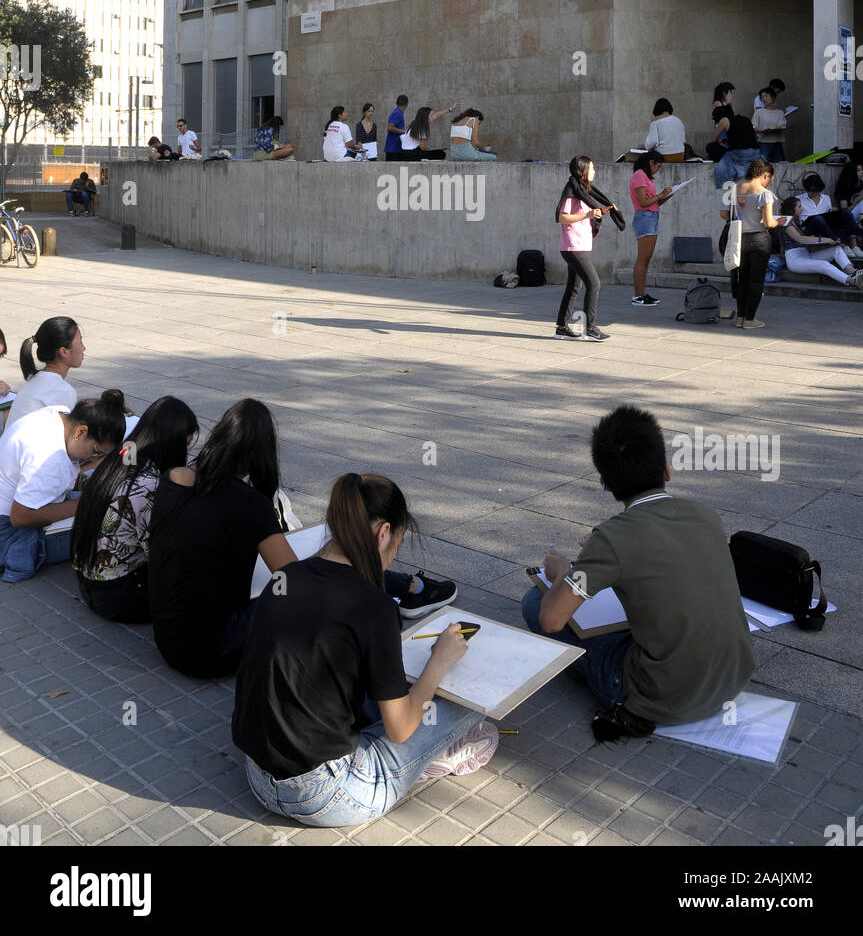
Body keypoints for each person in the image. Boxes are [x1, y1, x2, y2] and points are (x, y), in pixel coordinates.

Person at [232, 471, 498, 827]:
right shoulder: (375, 605)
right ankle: (426, 759)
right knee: (470, 707)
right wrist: (439, 660)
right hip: (328, 794)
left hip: (256, 774)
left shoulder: (286, 577)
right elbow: (401, 728)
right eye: (399, 542)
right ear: (383, 532)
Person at [521, 405, 754, 732]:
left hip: (660, 697)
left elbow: (551, 618)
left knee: (534, 603)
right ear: (667, 470)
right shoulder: (705, 515)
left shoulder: (612, 538)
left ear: (606, 484)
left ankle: (615, 687)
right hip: (732, 679)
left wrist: (561, 572)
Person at [147, 399, 299, 677]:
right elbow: (295, 579)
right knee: (298, 600)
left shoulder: (173, 478)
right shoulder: (251, 503)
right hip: (213, 651)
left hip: (168, 637)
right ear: (263, 454)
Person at [71, 397, 199, 623]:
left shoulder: (121, 456)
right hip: (119, 596)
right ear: (172, 443)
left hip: (87, 581)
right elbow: (161, 557)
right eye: (185, 445)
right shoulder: (149, 485)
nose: (185, 453)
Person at [0, 394, 126, 583]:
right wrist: (85, 502)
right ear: (81, 431)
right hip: (8, 530)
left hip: (12, 503)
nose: (93, 460)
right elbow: (20, 517)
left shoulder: (60, 414)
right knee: (108, 524)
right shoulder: (51, 457)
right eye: (96, 452)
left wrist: (86, 486)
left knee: (100, 494)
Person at [720, 159, 789, 329]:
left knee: (742, 279)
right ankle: (751, 319)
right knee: (756, 281)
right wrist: (780, 221)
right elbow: (768, 222)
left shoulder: (733, 190)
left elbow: (723, 214)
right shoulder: (765, 194)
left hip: (738, 239)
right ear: (765, 175)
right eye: (769, 179)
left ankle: (741, 318)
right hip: (758, 239)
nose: (769, 183)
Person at [554, 156, 615, 341]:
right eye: (592, 168)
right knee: (594, 284)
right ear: (583, 171)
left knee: (574, 286)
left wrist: (600, 212)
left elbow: (584, 214)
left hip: (578, 245)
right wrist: (587, 214)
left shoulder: (581, 190)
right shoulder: (571, 190)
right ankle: (590, 328)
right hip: (573, 246)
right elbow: (562, 217)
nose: (594, 172)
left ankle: (562, 328)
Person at [6, 318, 84, 428]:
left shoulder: (35, 380)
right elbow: (67, 437)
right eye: (80, 341)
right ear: (64, 351)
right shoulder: (63, 391)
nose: (84, 348)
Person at [780, 198, 863, 291]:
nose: (801, 209)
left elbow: (805, 238)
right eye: (799, 207)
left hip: (805, 254)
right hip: (795, 260)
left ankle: (853, 272)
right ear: (792, 209)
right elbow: (800, 239)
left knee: (836, 250)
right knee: (823, 264)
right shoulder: (785, 222)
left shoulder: (796, 222)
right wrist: (823, 239)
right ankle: (852, 281)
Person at [629, 150, 673, 307]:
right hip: (644, 217)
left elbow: (653, 202)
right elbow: (642, 202)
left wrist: (666, 196)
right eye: (658, 166)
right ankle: (638, 296)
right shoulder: (640, 175)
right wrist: (661, 195)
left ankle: (641, 293)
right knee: (643, 259)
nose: (658, 169)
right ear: (651, 162)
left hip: (651, 216)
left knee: (645, 259)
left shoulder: (645, 177)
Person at [797, 172, 859, 249]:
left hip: (824, 227)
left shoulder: (826, 198)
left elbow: (828, 214)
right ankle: (838, 242)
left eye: (814, 191)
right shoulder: (799, 199)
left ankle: (854, 245)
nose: (811, 193)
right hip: (809, 228)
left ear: (819, 189)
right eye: (808, 190)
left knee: (847, 212)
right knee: (817, 218)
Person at [713, 112, 761, 189]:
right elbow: (749, 139)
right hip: (755, 153)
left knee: (710, 147)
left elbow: (713, 140)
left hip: (739, 155)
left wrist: (721, 142)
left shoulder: (724, 120)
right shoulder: (746, 119)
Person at [751, 86, 787, 164]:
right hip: (764, 143)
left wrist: (779, 128)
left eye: (766, 96)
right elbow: (753, 127)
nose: (764, 99)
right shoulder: (759, 112)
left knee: (781, 165)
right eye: (762, 97)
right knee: (762, 166)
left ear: (773, 97)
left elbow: (783, 126)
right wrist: (763, 130)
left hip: (777, 143)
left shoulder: (780, 112)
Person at [643, 99, 686, 163]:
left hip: (663, 157)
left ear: (657, 110)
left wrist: (644, 146)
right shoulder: (679, 121)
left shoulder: (655, 122)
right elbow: (683, 141)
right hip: (680, 156)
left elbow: (651, 143)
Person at [835, 160, 863, 257]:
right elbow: (845, 211)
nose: (861, 172)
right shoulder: (844, 187)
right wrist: (857, 201)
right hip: (847, 215)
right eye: (858, 170)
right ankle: (853, 246)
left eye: (862, 170)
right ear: (852, 173)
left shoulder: (861, 185)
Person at [706, 83, 735, 164]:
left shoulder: (726, 105)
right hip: (722, 131)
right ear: (724, 93)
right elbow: (725, 117)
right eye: (731, 93)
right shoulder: (718, 103)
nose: (733, 95)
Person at [384, 94, 409, 161]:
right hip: (393, 149)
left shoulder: (397, 112)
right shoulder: (398, 113)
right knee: (396, 170)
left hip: (395, 148)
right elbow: (390, 127)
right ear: (406, 104)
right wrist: (405, 132)